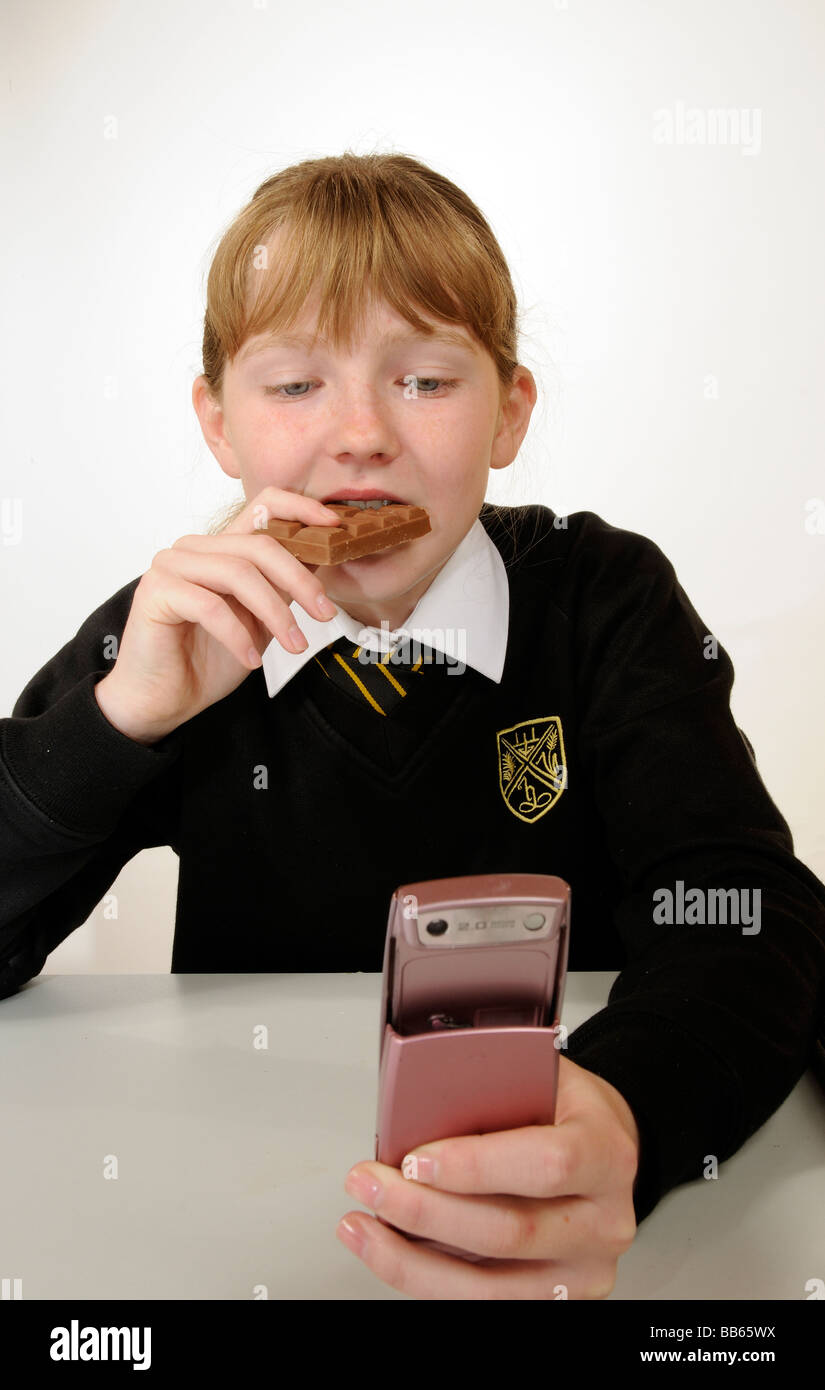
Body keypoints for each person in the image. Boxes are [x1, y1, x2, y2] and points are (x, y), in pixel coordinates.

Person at [2, 152, 823, 1301]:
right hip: (242, 1219)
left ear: (510, 412)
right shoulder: (176, 631)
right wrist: (114, 724)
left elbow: (749, 907)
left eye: (426, 381)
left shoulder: (601, 599)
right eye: (293, 386)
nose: (361, 435)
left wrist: (629, 1102)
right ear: (217, 426)